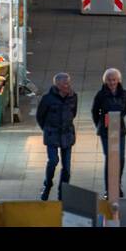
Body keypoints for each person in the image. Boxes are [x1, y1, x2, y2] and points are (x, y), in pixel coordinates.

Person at [36, 72, 77, 200]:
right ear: (57, 85)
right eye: (65, 83)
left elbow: (73, 113)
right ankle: (47, 184)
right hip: (52, 135)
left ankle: (62, 193)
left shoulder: (73, 97)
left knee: (67, 168)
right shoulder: (47, 99)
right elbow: (40, 116)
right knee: (53, 161)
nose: (68, 85)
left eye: (69, 82)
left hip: (67, 135)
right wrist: (48, 129)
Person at [90, 68, 126, 199]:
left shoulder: (124, 94)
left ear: (118, 80)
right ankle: (109, 188)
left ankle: (117, 184)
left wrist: (118, 118)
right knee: (110, 158)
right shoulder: (100, 95)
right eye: (109, 80)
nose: (112, 82)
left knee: (121, 158)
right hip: (106, 130)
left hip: (119, 129)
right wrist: (100, 125)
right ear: (105, 81)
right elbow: (95, 111)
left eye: (114, 80)